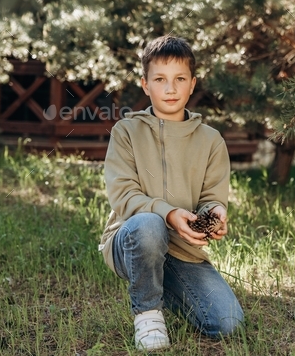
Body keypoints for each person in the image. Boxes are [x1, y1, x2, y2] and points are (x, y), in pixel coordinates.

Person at [98, 35, 244, 351]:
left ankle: (162, 280)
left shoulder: (211, 140)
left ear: (192, 84)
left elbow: (212, 195)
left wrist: (215, 212)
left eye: (179, 79)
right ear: (145, 84)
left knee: (228, 321)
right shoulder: (126, 132)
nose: (170, 88)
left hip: (181, 250)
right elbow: (123, 195)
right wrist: (169, 213)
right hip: (131, 240)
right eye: (160, 79)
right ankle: (148, 314)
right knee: (150, 225)